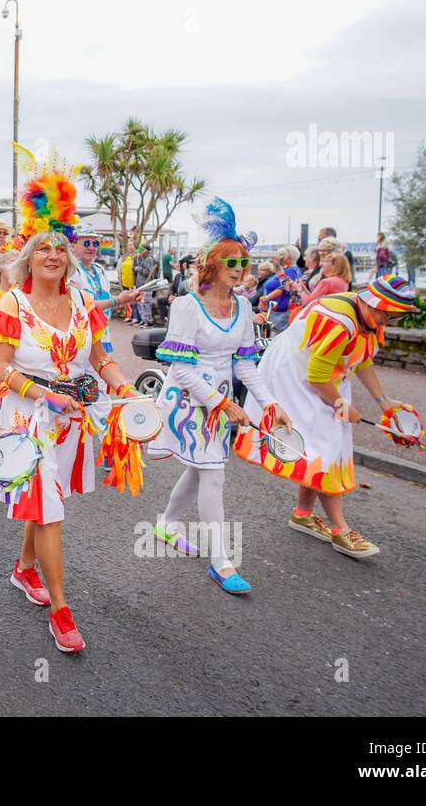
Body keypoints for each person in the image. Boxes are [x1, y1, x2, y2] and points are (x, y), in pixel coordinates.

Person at [0, 178, 141, 653]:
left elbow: (101, 358)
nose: (54, 254)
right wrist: (45, 396)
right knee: (50, 510)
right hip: (25, 419)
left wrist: (123, 387)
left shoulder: (84, 303)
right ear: (29, 257)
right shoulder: (12, 303)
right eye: (44, 247)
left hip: (72, 416)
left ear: (69, 259)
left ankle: (24, 570)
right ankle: (62, 610)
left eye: (61, 248)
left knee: (47, 500)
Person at [150, 198, 289, 595]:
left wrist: (270, 403)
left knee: (200, 468)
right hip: (190, 402)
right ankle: (221, 560)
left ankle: (167, 525)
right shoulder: (187, 307)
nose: (241, 270)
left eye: (244, 263)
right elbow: (179, 367)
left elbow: (245, 364)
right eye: (233, 263)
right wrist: (221, 403)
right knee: (213, 472)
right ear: (211, 266)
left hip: (219, 402)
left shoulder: (244, 307)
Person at [234, 275, 418, 558]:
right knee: (327, 451)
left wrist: (384, 402)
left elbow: (360, 358)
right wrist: (343, 406)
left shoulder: (365, 316)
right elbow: (317, 377)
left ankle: (303, 514)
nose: (389, 323)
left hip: (322, 377)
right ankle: (339, 529)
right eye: (388, 316)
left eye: (394, 318)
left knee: (320, 448)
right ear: (373, 304)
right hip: (296, 377)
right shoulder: (339, 322)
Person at [69, 222, 142, 346]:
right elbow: (81, 306)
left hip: (102, 334)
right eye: (86, 243)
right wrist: (118, 300)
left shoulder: (99, 269)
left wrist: (127, 299)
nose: (92, 247)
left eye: (95, 243)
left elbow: (104, 299)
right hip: (81, 337)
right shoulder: (70, 270)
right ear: (72, 245)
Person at [132, 243, 156, 326]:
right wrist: (136, 260)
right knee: (140, 303)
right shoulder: (143, 258)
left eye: (141, 251)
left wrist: (138, 269)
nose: (139, 253)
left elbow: (149, 273)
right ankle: (143, 319)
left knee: (146, 303)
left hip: (147, 285)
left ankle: (148, 321)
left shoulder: (149, 259)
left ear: (145, 251)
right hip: (141, 285)